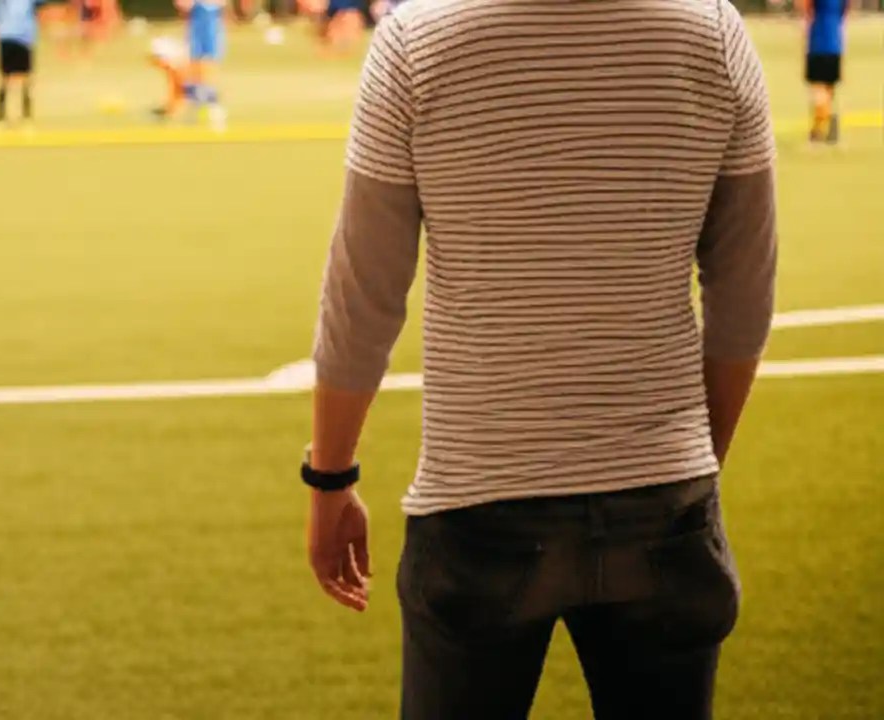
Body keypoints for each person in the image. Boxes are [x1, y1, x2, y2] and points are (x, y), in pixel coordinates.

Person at [303, 0, 777, 717]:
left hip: (477, 509)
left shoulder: (417, 37)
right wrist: (680, 462)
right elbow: (745, 294)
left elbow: (361, 297)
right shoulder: (711, 29)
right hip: (665, 503)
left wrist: (330, 476)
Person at [799, 0, 848, 143]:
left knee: (818, 89)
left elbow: (806, 9)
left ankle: (819, 128)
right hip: (836, 43)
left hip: (818, 43)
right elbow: (844, 11)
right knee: (829, 88)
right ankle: (829, 124)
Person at [177, 0, 226, 128]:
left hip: (211, 21)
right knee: (196, 61)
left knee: (209, 63)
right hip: (197, 21)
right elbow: (183, 5)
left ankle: (211, 101)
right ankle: (197, 100)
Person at [0, 0, 38, 126]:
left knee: (25, 79)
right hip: (12, 36)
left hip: (19, 38)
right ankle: (2, 116)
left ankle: (24, 114)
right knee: (7, 78)